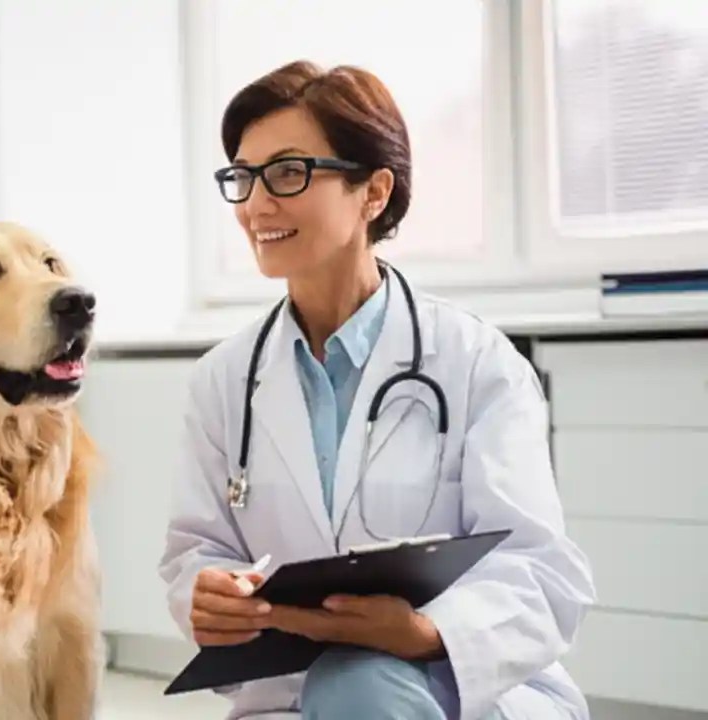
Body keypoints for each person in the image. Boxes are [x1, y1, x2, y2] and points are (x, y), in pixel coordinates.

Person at [157, 60, 597, 719]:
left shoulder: (478, 363)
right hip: (288, 692)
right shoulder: (223, 379)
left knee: (358, 685)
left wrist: (423, 634)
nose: (254, 205)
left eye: (287, 172)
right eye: (242, 178)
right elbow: (198, 551)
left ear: (374, 192)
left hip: (459, 689)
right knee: (342, 686)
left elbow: (540, 571)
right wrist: (208, 593)